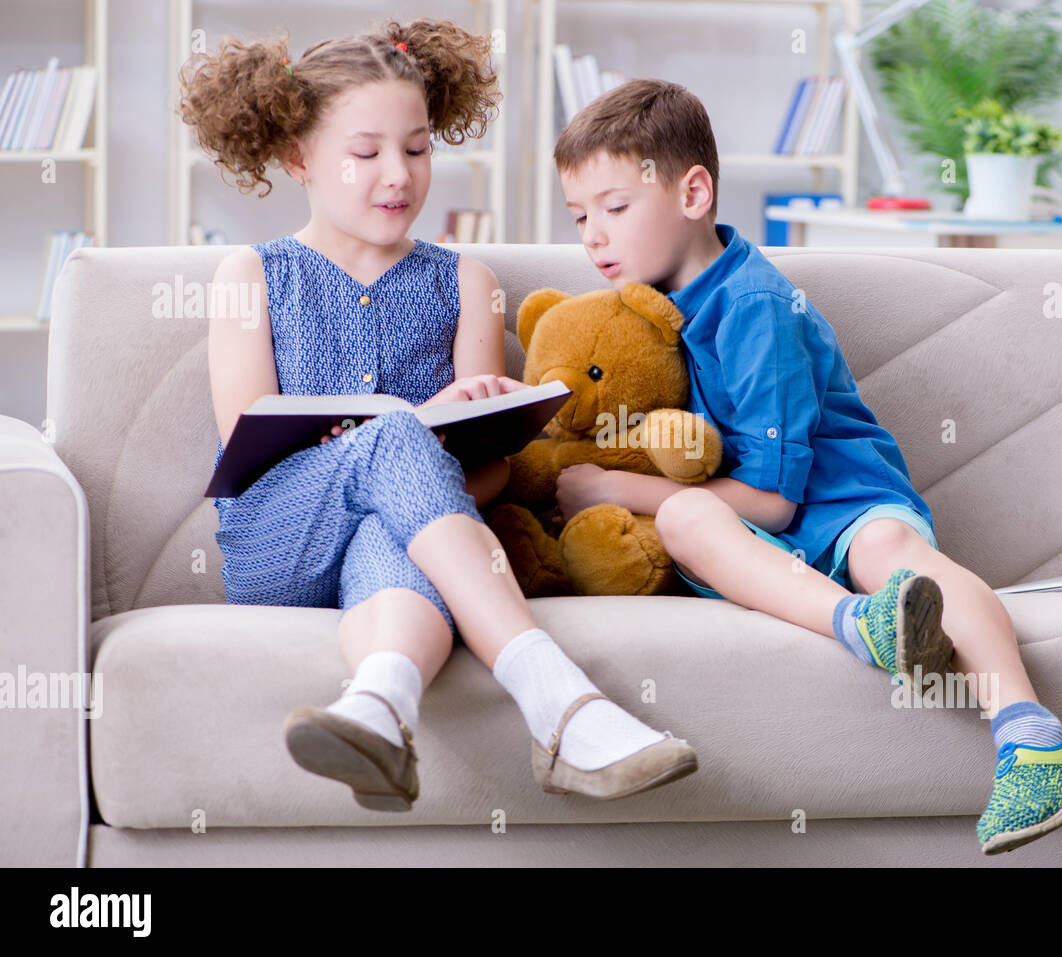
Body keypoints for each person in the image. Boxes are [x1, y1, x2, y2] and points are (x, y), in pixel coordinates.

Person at [551, 78, 1062, 854]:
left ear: (693, 192)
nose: (593, 238)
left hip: (840, 503)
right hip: (767, 540)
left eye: (614, 208)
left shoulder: (753, 305)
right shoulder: (649, 308)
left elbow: (774, 504)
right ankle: (861, 623)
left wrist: (609, 486)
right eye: (579, 217)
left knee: (891, 555)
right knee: (680, 517)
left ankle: (1032, 735)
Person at [178, 19, 697, 811]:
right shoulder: (251, 274)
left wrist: (438, 438)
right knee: (395, 434)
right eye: (366, 152)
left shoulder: (466, 282)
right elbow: (249, 440)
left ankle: (378, 711)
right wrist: (411, 423)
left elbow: (486, 470)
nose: (399, 174)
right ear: (298, 158)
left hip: (411, 542)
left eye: (417, 150)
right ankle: (557, 699)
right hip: (279, 540)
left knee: (396, 534)